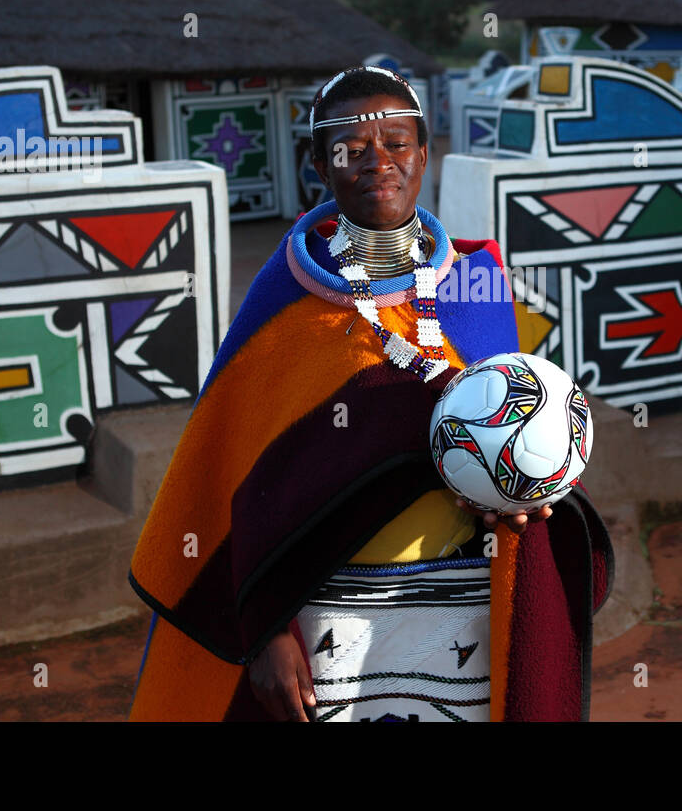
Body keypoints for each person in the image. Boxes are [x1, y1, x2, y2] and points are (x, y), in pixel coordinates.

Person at [127, 65, 612, 721]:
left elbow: (515, 433)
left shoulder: (478, 282)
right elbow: (231, 478)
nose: (377, 162)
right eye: (350, 148)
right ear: (317, 163)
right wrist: (265, 630)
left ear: (424, 150)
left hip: (463, 600)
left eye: (397, 142)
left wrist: (522, 497)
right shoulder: (284, 302)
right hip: (328, 612)